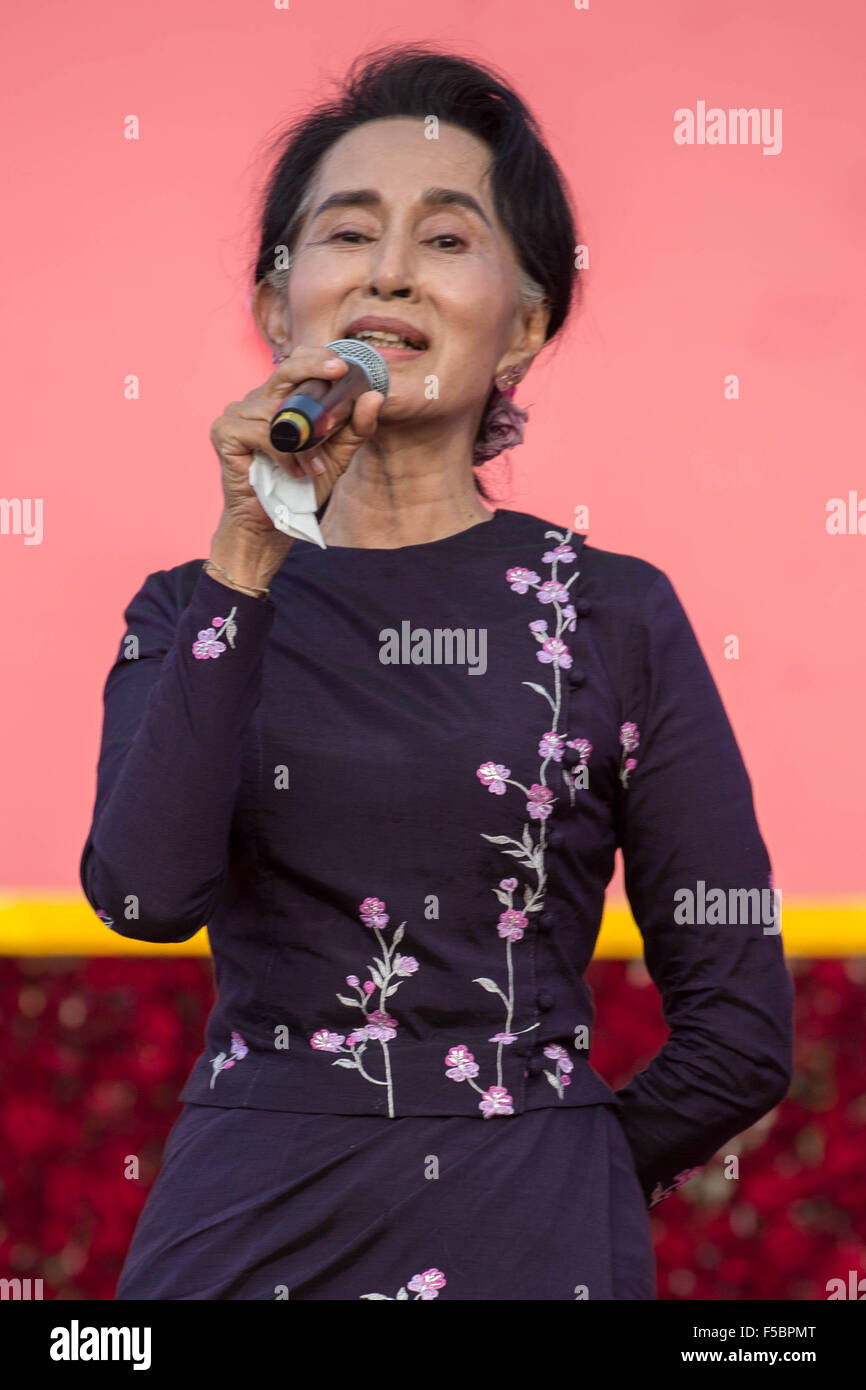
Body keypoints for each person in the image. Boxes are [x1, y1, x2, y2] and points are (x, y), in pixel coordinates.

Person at [79, 44, 793, 1301]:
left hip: (533, 1245)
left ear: (522, 326)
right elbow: (141, 897)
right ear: (277, 301)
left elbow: (738, 1037)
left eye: (447, 239)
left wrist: (541, 1164)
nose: (390, 269)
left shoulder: (609, 614)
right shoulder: (192, 608)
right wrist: (246, 555)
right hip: (239, 1241)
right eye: (347, 233)